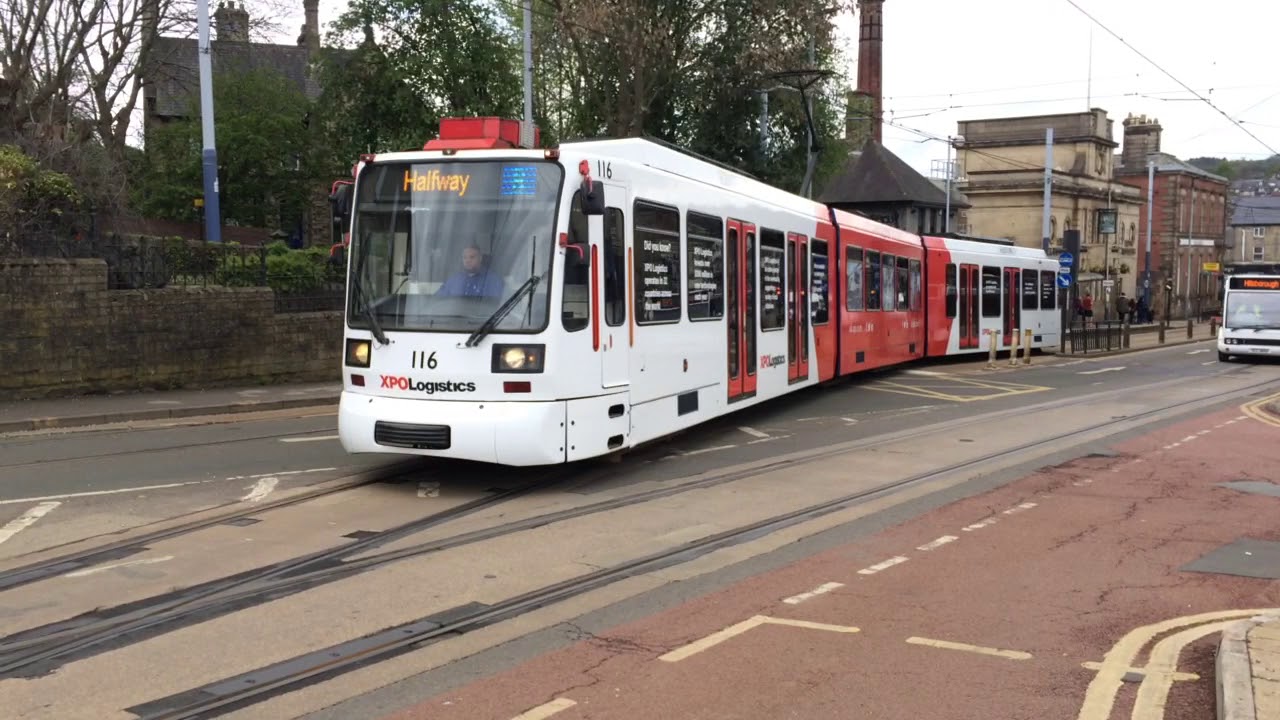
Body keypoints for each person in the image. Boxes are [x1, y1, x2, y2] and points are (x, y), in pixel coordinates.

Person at [436, 245, 504, 298]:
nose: (467, 261)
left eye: (472, 257)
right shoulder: (454, 279)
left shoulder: (493, 280)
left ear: (480, 258)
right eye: (464, 257)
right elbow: (437, 299)